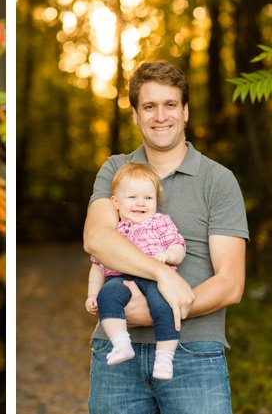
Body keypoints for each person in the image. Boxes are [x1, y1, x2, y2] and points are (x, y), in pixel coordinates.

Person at [83, 61, 248, 412]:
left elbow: (230, 283)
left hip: (194, 352)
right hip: (116, 351)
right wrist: (162, 275)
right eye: (149, 106)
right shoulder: (115, 170)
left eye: (170, 105)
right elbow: (97, 238)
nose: (161, 116)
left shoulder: (218, 180)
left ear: (185, 111)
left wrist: (160, 310)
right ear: (135, 115)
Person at [85, 162, 186, 380]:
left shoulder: (160, 222)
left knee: (164, 306)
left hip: (155, 278)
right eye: (132, 198)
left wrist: (168, 255)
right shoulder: (113, 231)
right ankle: (121, 343)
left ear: (156, 202)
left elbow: (179, 246)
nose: (140, 203)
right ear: (116, 202)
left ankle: (165, 357)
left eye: (148, 198)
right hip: (118, 277)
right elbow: (97, 265)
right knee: (107, 297)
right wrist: (92, 294)